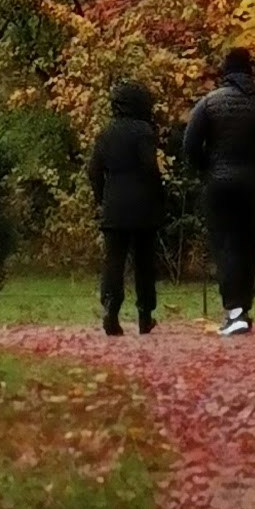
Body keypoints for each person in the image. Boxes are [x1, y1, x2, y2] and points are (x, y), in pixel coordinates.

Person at [177, 47, 255, 337]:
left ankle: (234, 310)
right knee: (247, 245)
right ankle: (242, 309)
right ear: (249, 70)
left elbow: (189, 145)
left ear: (225, 72)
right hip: (254, 185)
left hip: (219, 185)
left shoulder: (209, 103)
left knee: (225, 245)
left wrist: (207, 169)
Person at [87, 79, 166, 337]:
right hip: (142, 205)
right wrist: (159, 194)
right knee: (144, 261)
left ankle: (111, 308)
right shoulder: (143, 131)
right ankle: (145, 314)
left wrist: (101, 199)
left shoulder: (106, 133)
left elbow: (94, 170)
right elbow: (149, 167)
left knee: (114, 261)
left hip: (114, 204)